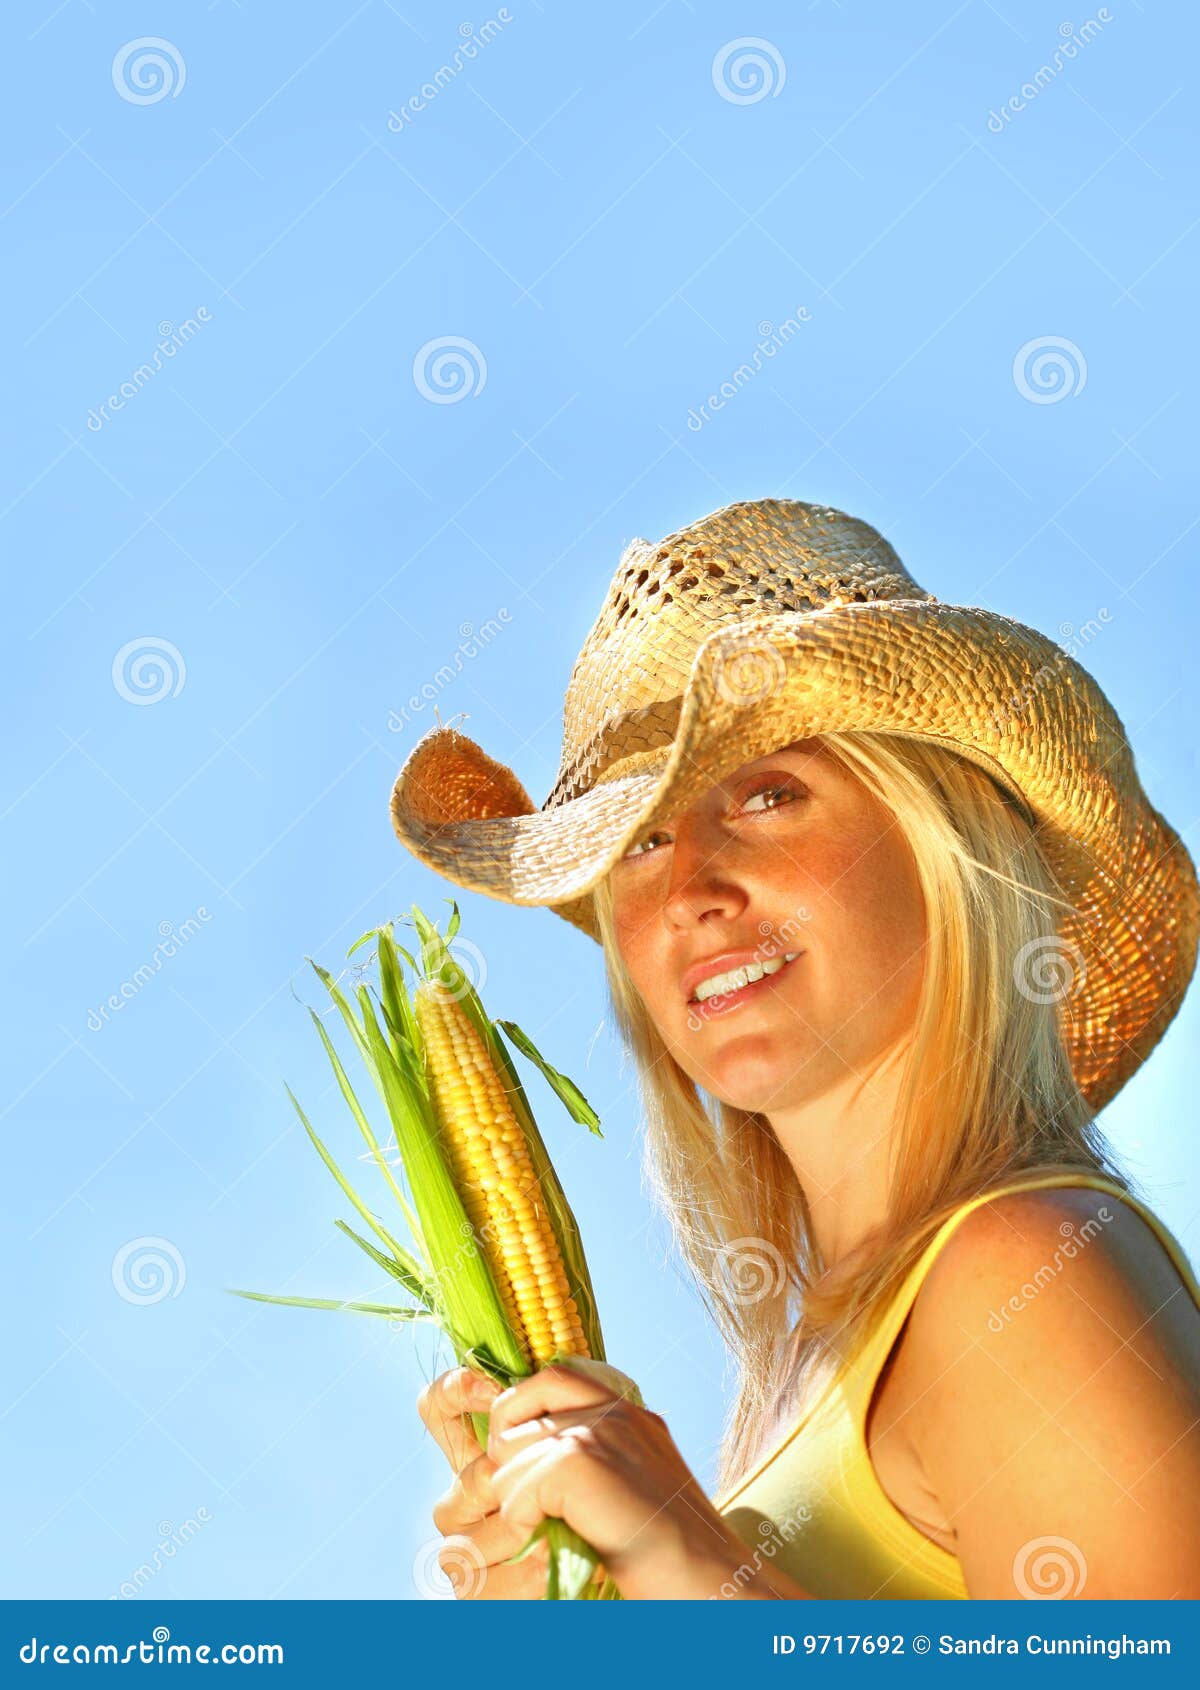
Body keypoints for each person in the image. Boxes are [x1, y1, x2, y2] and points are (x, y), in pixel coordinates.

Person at [390, 498, 1200, 1598]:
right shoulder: (802, 1377)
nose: (689, 894)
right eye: (642, 843)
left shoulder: (1021, 1271)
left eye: (769, 796)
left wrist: (697, 1570)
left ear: (941, 846)